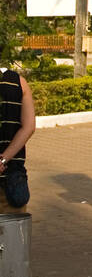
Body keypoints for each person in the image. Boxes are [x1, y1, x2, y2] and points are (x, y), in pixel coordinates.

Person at [0, 67, 35, 213]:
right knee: (12, 234)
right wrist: (3, 160)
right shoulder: (19, 82)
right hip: (11, 180)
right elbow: (29, 127)